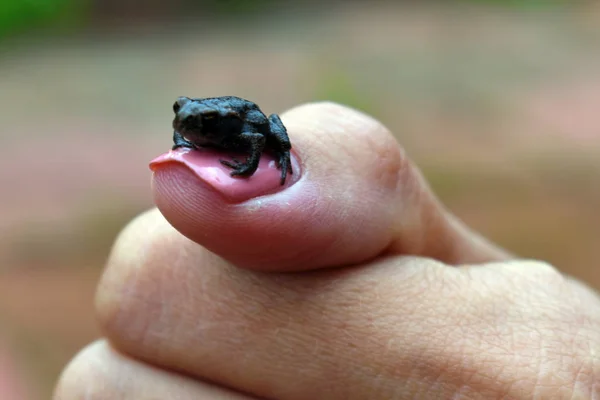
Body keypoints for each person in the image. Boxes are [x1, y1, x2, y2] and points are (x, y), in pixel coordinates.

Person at [54, 103, 599, 399]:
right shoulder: (198, 125)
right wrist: (189, 140)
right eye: (184, 124)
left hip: (248, 121)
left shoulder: (234, 125)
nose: (188, 130)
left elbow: (255, 132)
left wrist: (256, 163)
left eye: (196, 127)